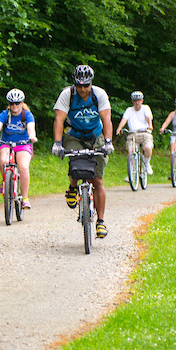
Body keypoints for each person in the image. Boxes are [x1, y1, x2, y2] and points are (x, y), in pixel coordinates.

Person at [51, 65, 114, 238]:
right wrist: (57, 143)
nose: (82, 89)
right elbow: (59, 119)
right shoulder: (68, 95)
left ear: (91, 83)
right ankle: (73, 188)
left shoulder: (99, 94)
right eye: (79, 86)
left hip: (96, 135)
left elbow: (106, 118)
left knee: (97, 180)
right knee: (76, 165)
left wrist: (108, 142)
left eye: (85, 85)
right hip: (74, 135)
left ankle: (100, 222)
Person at [0, 88, 38, 209]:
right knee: (3, 161)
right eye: (12, 103)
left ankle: (25, 198)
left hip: (23, 144)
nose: (14, 106)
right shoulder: (4, 114)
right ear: (9, 104)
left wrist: (32, 136)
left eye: (17, 103)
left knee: (23, 167)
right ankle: (4, 180)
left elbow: (31, 127)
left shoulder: (27, 115)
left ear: (22, 103)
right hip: (6, 142)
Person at [115, 90, 154, 175]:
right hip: (133, 134)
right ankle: (131, 174)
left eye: (139, 100)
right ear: (132, 101)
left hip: (145, 133)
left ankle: (147, 164)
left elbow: (148, 117)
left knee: (147, 147)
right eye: (135, 101)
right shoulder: (129, 110)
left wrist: (150, 125)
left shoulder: (145, 108)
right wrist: (119, 128)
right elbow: (124, 119)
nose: (137, 103)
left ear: (142, 101)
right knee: (131, 151)